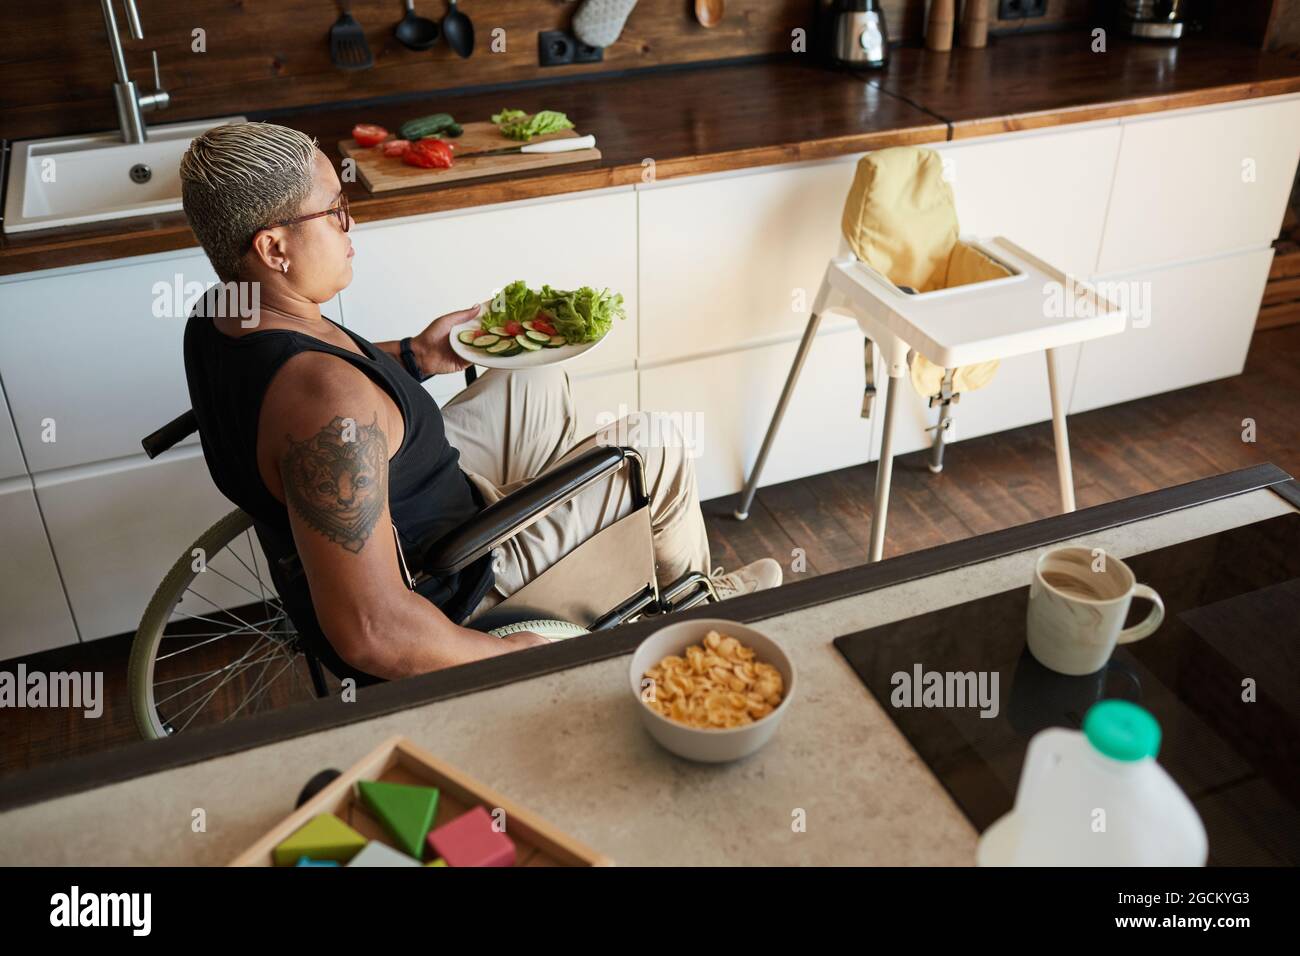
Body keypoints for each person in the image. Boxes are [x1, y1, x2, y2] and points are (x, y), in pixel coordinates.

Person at [178, 121, 780, 684]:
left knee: (528, 376)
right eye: (333, 209)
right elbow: (371, 630)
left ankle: (590, 540)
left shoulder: (220, 313)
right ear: (274, 248)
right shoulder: (327, 406)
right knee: (655, 443)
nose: (350, 224)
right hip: (458, 577)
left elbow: (324, 383)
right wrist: (505, 655)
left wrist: (414, 355)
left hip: (419, 492)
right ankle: (702, 620)